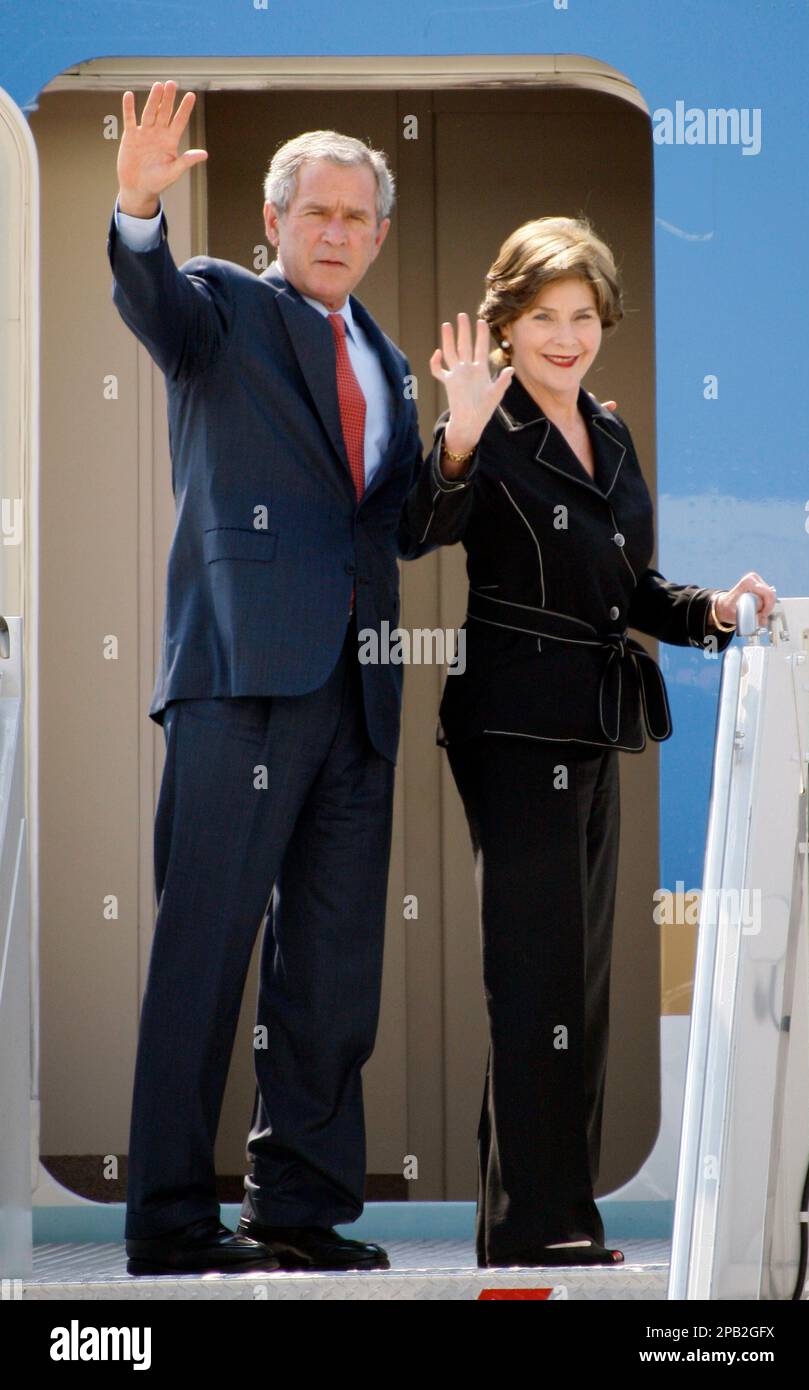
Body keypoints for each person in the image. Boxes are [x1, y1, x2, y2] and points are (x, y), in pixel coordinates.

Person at [108, 81, 507, 1275]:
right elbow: (151, 299)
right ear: (274, 221)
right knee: (203, 949)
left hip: (357, 694)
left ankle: (301, 1206)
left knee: (330, 966)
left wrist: (458, 438)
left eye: (354, 216)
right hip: (241, 680)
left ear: (378, 234)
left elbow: (398, 527)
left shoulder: (387, 364)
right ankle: (172, 1221)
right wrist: (136, 208)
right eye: (314, 211)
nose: (335, 231)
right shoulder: (222, 309)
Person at [400, 215, 777, 1269]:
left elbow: (633, 590)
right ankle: (538, 1222)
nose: (563, 338)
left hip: (593, 725)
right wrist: (461, 435)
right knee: (534, 979)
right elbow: (418, 525)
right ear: (506, 325)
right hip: (513, 727)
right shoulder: (486, 420)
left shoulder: (607, 435)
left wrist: (713, 607)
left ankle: (541, 1217)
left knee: (578, 979)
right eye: (540, 319)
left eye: (580, 317)